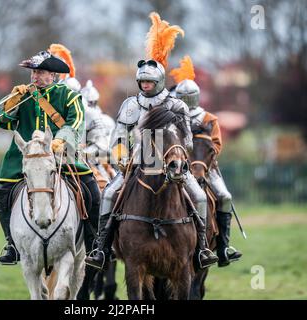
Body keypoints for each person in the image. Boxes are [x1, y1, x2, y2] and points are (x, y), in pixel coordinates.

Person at [85, 12, 218, 271]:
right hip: (138, 165)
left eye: (150, 82)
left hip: (172, 167)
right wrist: (122, 159)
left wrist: (177, 160)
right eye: (142, 81)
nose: (145, 85)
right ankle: (101, 248)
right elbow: (118, 138)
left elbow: (188, 140)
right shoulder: (130, 105)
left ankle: (202, 249)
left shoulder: (176, 105)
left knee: (200, 198)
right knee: (110, 194)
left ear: (159, 82)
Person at [0, 49, 100, 265]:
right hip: (23, 158)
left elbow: (76, 121)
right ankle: (12, 244)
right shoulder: (22, 94)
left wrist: (61, 139)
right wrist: (12, 104)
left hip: (62, 155)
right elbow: (0, 121)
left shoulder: (68, 95)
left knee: (92, 191)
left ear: (53, 75)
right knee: (2, 195)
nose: (35, 76)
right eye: (33, 72)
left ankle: (95, 245)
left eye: (40, 72)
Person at [170, 55, 242, 267]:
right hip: (179, 166)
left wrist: (202, 161)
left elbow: (216, 145)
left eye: (188, 97)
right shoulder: (172, 117)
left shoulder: (209, 119)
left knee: (225, 196)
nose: (186, 101)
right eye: (182, 97)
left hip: (206, 167)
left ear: (196, 97)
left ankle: (223, 246)